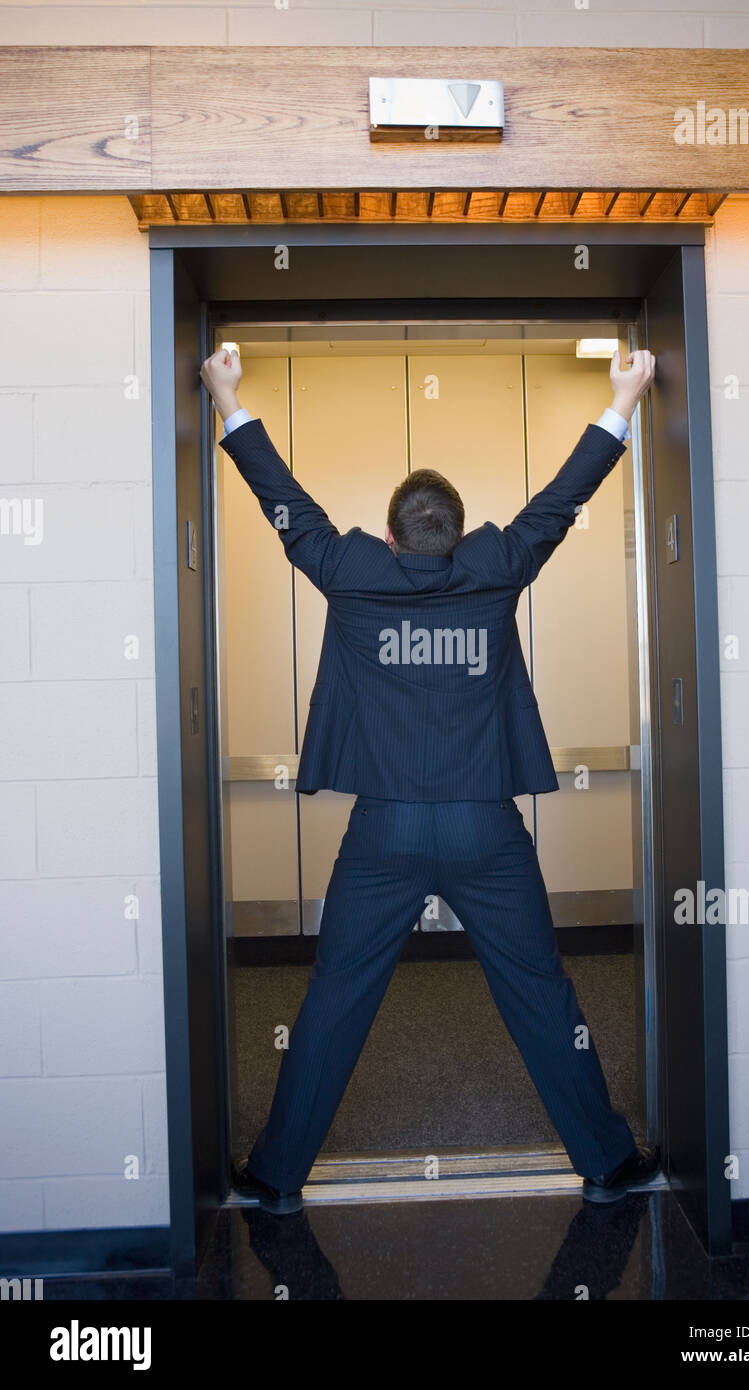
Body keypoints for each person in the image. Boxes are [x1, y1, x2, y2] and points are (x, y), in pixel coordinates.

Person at [200, 342, 659, 1214]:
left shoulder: (349, 571)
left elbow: (283, 504)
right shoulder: (497, 566)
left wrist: (229, 399)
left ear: (387, 535)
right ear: (459, 530)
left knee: (336, 993)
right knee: (539, 989)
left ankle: (278, 1174)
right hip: (488, 829)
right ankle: (607, 1163)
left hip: (385, 833)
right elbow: (562, 501)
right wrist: (624, 398)